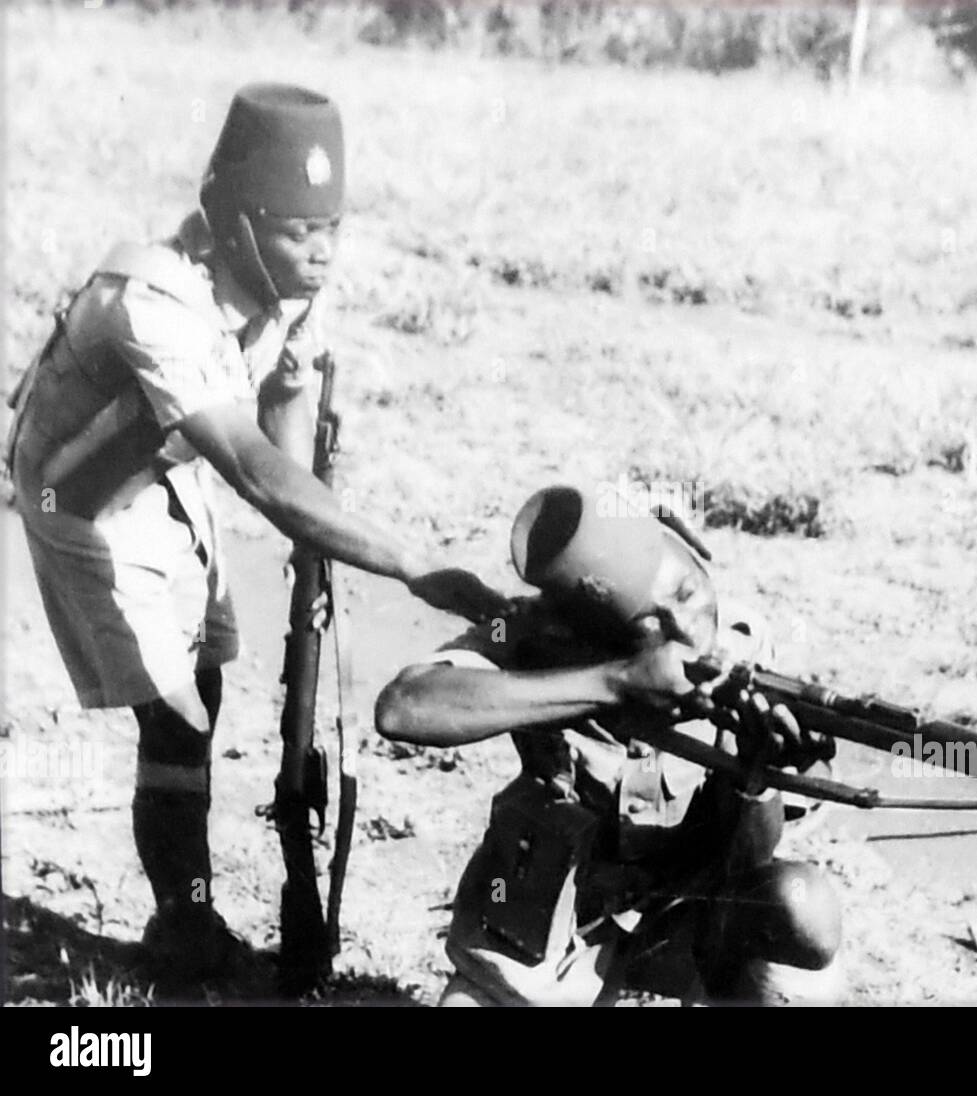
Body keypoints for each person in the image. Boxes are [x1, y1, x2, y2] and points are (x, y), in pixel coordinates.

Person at [4, 83, 508, 985]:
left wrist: (312, 541)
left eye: (332, 231)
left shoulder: (281, 279)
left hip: (159, 466)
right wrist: (411, 564)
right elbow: (255, 472)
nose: (320, 255)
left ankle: (184, 904)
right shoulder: (152, 301)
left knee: (205, 679)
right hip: (72, 495)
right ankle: (183, 930)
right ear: (234, 224)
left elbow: (280, 410)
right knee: (177, 716)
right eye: (295, 231)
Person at [375, 485, 844, 1005]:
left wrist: (755, 781)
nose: (687, 629)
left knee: (802, 915)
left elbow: (752, 859)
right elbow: (404, 707)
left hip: (686, 914)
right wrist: (611, 683)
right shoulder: (529, 630)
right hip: (550, 919)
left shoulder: (745, 645)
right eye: (649, 623)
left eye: (688, 592)